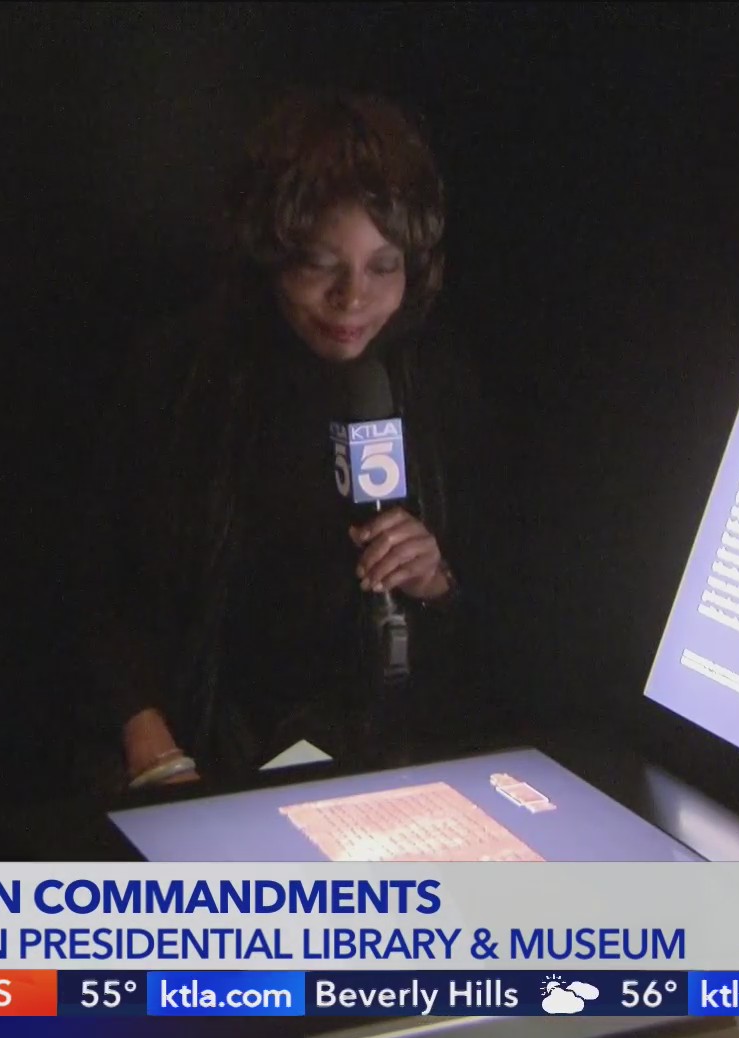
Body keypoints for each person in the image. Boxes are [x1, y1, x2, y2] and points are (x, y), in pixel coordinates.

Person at [82, 89, 487, 792]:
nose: (352, 298)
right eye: (321, 264)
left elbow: (501, 632)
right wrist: (151, 747)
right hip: (193, 760)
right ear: (272, 251)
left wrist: (436, 583)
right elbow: (98, 590)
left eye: (383, 266)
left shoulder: (436, 384)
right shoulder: (180, 374)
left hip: (371, 775)